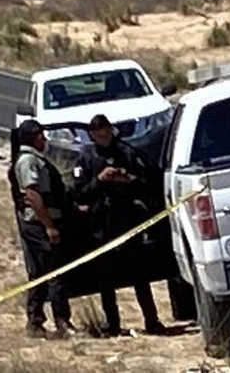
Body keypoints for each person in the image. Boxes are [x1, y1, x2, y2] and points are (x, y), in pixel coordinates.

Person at [72, 114, 166, 336]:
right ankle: (112, 324)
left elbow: (148, 181)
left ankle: (152, 321)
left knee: (140, 275)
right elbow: (79, 193)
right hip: (102, 226)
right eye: (99, 135)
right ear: (92, 135)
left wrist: (127, 179)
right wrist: (100, 180)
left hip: (128, 222)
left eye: (106, 133)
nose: (103, 137)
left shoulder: (127, 152)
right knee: (106, 279)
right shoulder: (86, 159)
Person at [12, 119, 76, 339]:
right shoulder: (28, 160)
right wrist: (49, 226)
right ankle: (62, 322)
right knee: (54, 272)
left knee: (39, 273)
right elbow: (32, 194)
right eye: (40, 135)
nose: (44, 139)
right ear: (32, 137)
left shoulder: (36, 159)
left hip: (41, 222)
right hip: (38, 224)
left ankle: (36, 322)